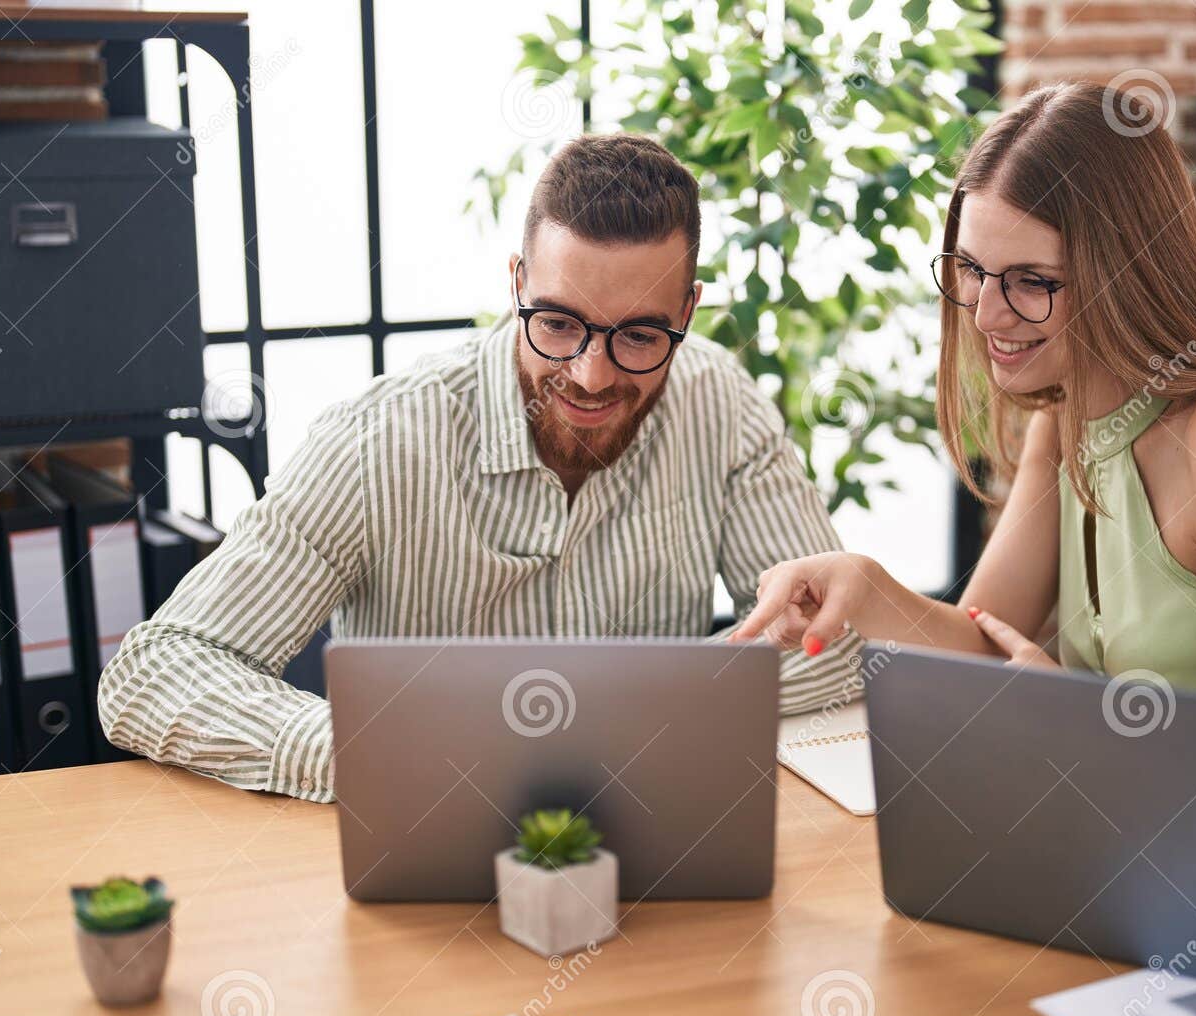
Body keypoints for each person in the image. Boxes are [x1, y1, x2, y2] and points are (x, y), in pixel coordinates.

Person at [731, 81, 1196, 912]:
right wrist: (867, 589)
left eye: (1031, 281)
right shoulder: (1069, 422)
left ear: (1127, 268)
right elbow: (993, 650)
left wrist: (1077, 724)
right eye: (973, 270)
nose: (987, 312)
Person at [99, 133, 859, 802]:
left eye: (638, 336)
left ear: (687, 311)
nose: (592, 376)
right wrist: (382, 755)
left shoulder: (719, 403)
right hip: (425, 839)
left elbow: (834, 651)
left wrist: (644, 717)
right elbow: (155, 671)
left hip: (647, 845)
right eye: (558, 324)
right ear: (518, 284)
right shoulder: (381, 440)